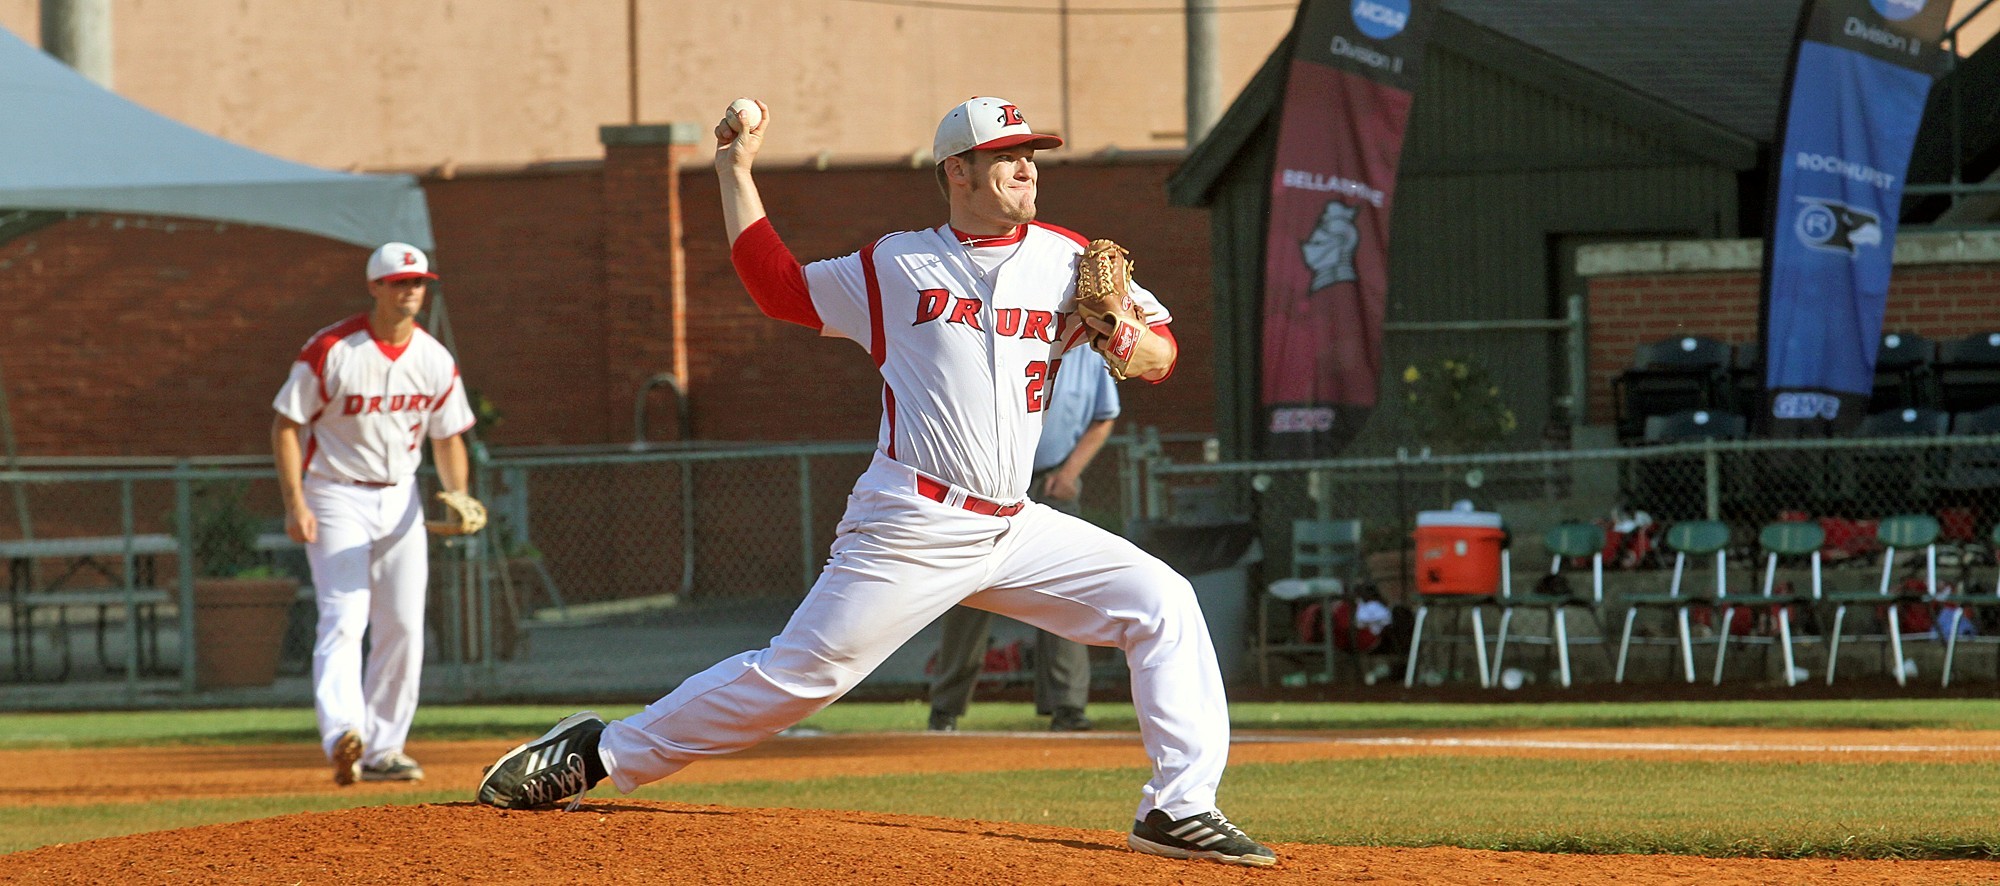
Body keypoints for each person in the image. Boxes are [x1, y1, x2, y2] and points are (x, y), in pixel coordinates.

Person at [475, 96, 1276, 868]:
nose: (1027, 168)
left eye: (1032, 155)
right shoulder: (898, 263)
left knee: (1162, 600)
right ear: (956, 171)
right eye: (1006, 157)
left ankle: (1178, 806)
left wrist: (1126, 337)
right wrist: (735, 170)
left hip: (1015, 524)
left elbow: (1163, 355)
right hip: (913, 519)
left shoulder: (1068, 260)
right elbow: (779, 290)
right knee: (800, 677)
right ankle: (599, 749)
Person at [271, 242, 477, 786]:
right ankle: (343, 732)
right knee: (345, 615)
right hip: (335, 493)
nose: (410, 290)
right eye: (399, 282)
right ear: (375, 287)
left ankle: (385, 747)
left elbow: (449, 436)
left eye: (418, 282)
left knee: (405, 624)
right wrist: (296, 503)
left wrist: (458, 493)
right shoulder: (333, 348)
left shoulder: (433, 357)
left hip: (400, 495)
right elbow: (286, 424)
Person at [927, 347, 1119, 734]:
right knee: (968, 588)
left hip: (1052, 482)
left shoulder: (1088, 353)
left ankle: (1067, 708)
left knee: (1063, 591)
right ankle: (945, 708)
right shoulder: (1010, 336)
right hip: (990, 485)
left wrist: (1070, 473)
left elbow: (1103, 418)